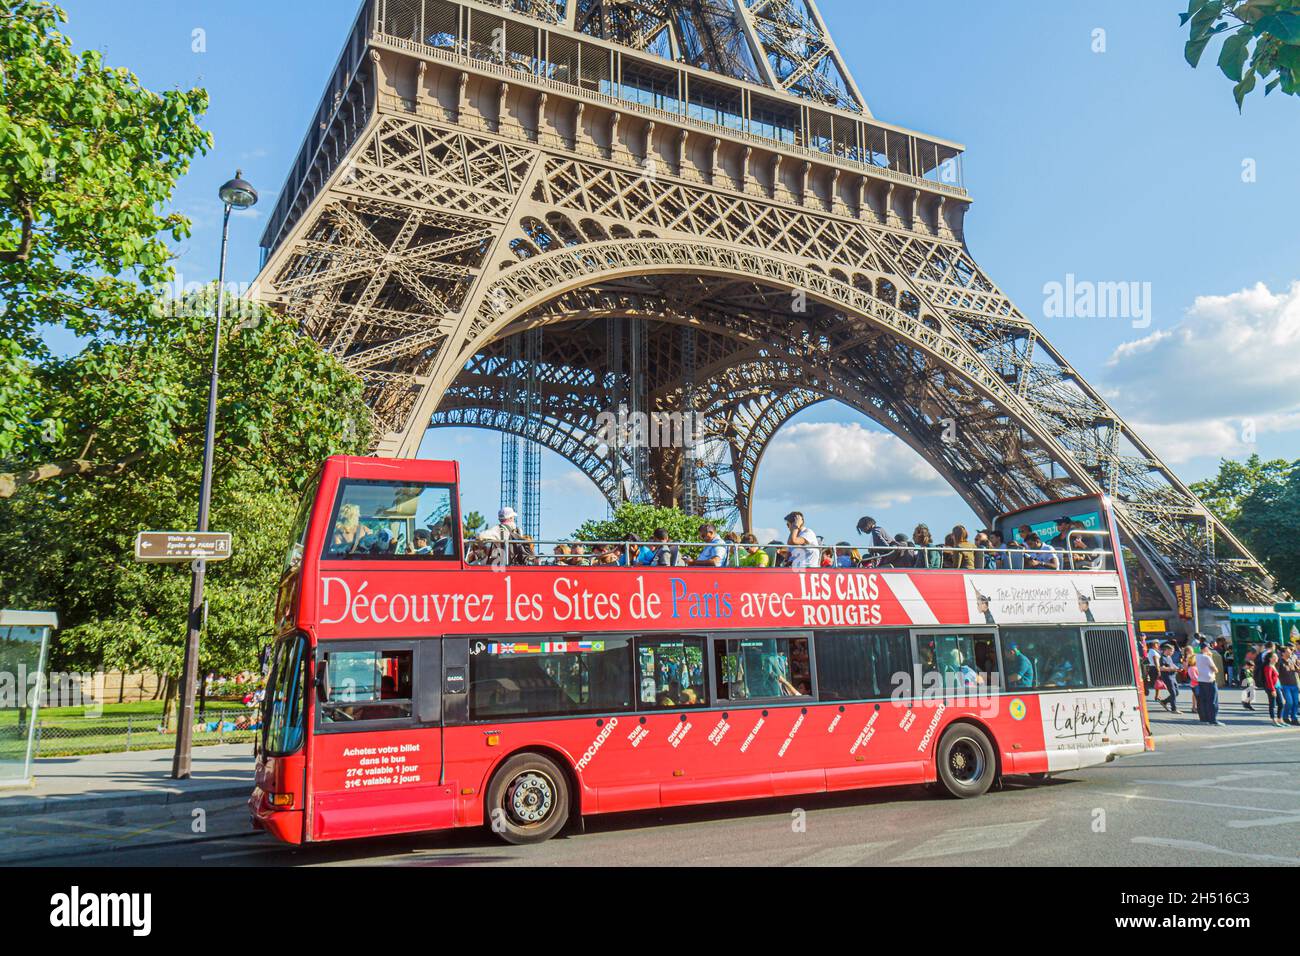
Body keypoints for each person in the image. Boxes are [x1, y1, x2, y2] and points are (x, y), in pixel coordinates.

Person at [1192, 638, 1224, 725]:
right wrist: (1210, 657)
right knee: (1213, 701)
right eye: (1208, 648)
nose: (1209, 649)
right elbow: (1215, 669)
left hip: (1201, 680)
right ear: (1205, 648)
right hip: (1210, 680)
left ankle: (1204, 719)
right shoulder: (1207, 657)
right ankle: (1213, 720)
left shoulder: (1197, 656)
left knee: (1203, 700)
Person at [1156, 641, 1181, 713]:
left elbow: (1172, 664)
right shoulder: (1162, 658)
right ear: (1166, 650)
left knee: (1176, 692)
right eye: (1171, 651)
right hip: (1167, 677)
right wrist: (1172, 669)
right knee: (1173, 693)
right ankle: (1174, 709)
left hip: (1173, 676)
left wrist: (1178, 668)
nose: (1172, 652)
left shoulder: (1169, 657)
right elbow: (1161, 668)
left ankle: (1164, 702)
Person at [1279, 647, 1300, 726]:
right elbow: (1276, 673)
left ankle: (1294, 718)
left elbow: (1297, 670)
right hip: (1285, 685)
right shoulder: (1280, 662)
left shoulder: (1292, 660)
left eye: (1290, 651)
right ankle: (1285, 716)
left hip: (1294, 684)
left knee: (1295, 703)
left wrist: (1297, 666)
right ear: (1283, 653)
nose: (1290, 653)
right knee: (1289, 702)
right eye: (1288, 652)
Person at [1261, 651, 1282, 726]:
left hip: (1277, 687)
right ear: (1270, 659)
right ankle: (1273, 720)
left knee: (1281, 703)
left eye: (1277, 656)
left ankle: (1279, 719)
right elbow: (1268, 679)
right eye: (1275, 657)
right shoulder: (1268, 667)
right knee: (1272, 704)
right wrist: (1272, 690)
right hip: (1271, 688)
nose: (1277, 658)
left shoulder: (1273, 666)